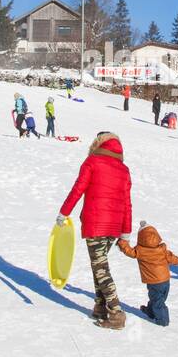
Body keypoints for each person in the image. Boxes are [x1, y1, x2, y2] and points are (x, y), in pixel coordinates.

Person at [58, 132, 133, 330]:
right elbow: (127, 203)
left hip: (95, 223)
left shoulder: (92, 162)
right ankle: (100, 306)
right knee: (98, 265)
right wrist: (125, 231)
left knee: (101, 268)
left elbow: (78, 189)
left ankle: (116, 313)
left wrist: (64, 212)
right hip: (114, 227)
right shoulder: (124, 170)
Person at [117, 222, 178, 327]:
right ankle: (151, 311)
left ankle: (163, 321)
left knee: (158, 301)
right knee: (159, 298)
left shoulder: (140, 251)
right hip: (165, 280)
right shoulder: (162, 249)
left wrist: (122, 243)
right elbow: (171, 257)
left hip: (154, 282)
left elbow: (129, 251)